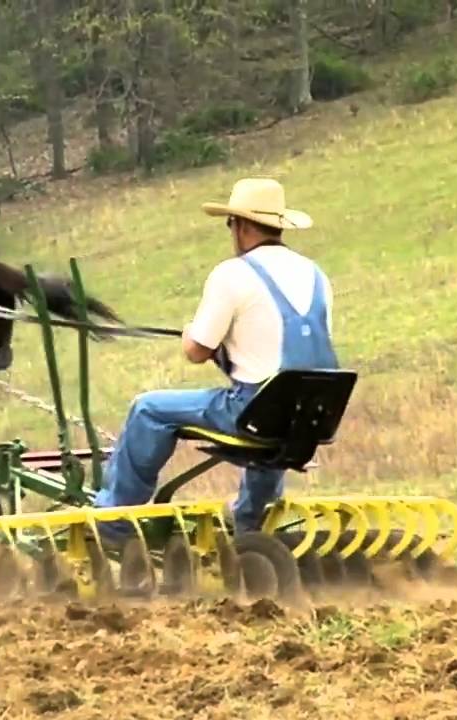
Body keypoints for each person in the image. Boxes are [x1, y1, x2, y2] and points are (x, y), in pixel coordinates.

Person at [93, 177, 338, 539]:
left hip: (254, 410)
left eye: (230, 224)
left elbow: (196, 351)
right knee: (274, 420)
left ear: (240, 225)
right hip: (312, 414)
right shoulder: (316, 274)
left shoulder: (232, 274)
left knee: (148, 410)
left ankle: (114, 519)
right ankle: (249, 519)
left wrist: (190, 334)